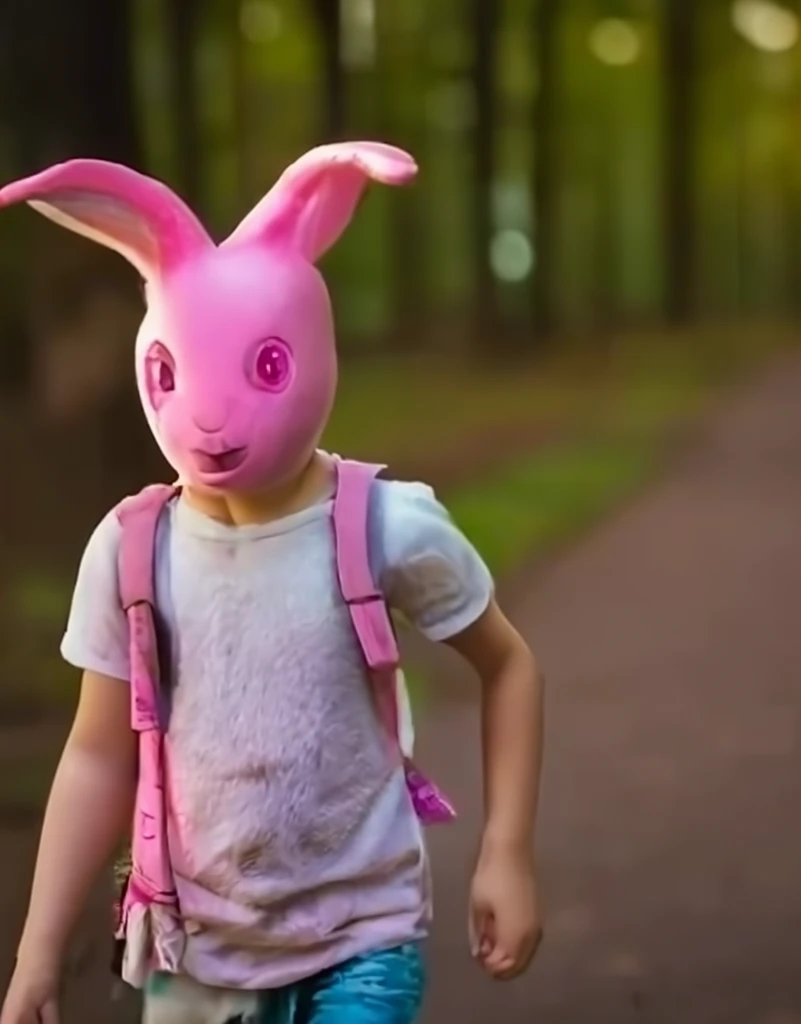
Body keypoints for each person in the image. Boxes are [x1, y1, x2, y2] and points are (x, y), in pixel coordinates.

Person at [0, 143, 543, 1024]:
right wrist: (37, 951)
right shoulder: (131, 552)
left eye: (265, 370)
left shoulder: (381, 527)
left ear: (313, 355)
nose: (210, 421)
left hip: (364, 941)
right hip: (194, 957)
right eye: (170, 377)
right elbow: (99, 751)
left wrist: (507, 851)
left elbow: (509, 665)